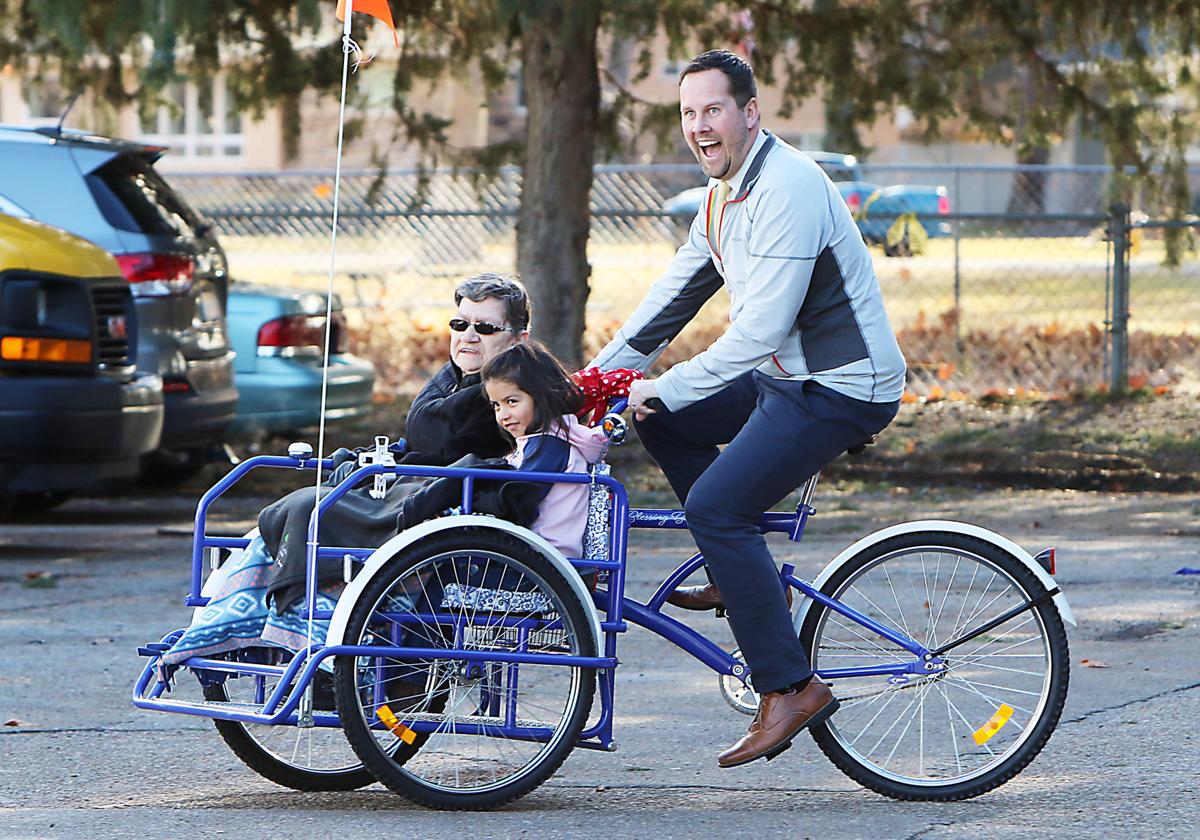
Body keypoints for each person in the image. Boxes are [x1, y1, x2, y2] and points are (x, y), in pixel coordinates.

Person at [590, 49, 906, 768]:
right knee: (659, 420)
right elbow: (668, 302)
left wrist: (663, 384)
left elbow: (759, 330)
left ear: (750, 113)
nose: (700, 127)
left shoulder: (787, 186)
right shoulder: (720, 194)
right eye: (688, 114)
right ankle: (739, 572)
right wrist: (594, 380)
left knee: (717, 508)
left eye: (713, 110)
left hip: (841, 386)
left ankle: (790, 686)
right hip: (786, 376)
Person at [159, 273, 533, 670]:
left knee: (311, 510)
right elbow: (424, 429)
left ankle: (306, 640)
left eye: (486, 327)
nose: (468, 336)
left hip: (449, 502)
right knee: (288, 518)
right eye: (460, 324)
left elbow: (434, 433)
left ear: (517, 339)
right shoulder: (461, 377)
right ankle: (230, 626)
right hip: (417, 486)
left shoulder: (511, 393)